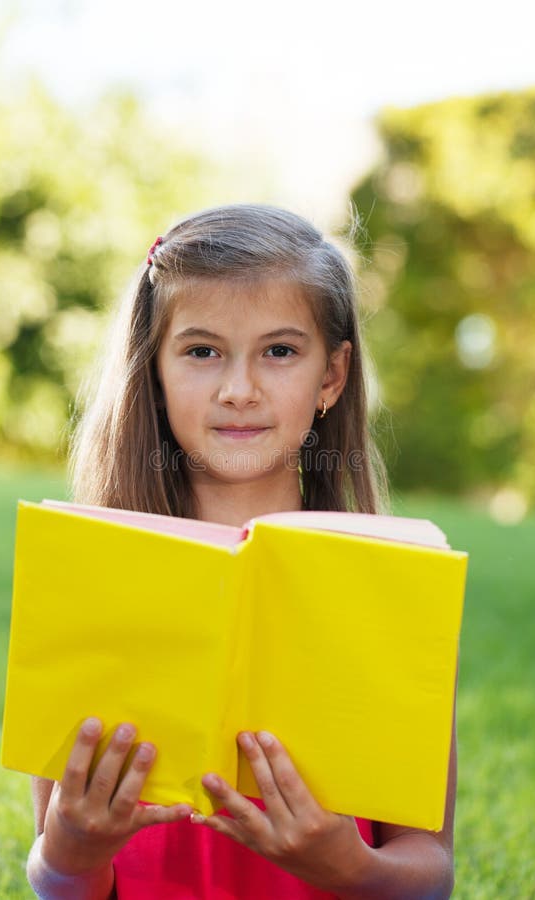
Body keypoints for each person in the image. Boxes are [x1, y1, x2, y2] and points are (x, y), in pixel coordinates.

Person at [26, 204, 456, 899]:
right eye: (201, 351)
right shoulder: (90, 574)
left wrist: (348, 867)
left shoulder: (394, 588)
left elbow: (432, 876)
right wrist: (72, 853)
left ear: (332, 376)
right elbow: (52, 878)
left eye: (279, 351)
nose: (238, 390)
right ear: (154, 369)